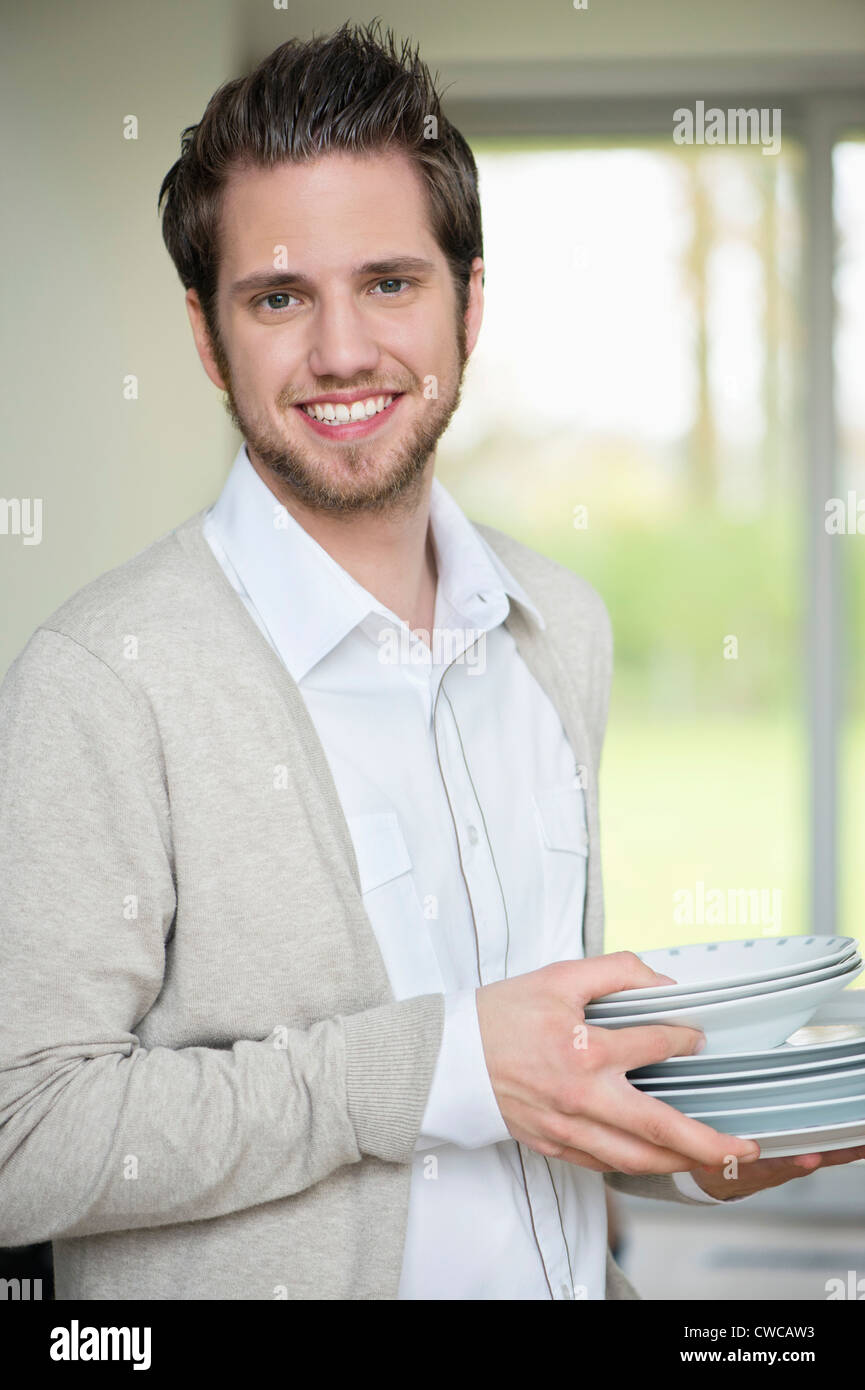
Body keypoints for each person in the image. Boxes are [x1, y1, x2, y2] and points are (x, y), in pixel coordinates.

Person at [1, 20, 861, 1302]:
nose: (342, 350)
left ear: (470, 299)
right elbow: (27, 1134)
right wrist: (433, 1066)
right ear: (205, 333)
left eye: (390, 282)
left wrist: (678, 1147)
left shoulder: (557, 625)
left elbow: (521, 1091)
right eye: (279, 297)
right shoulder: (103, 678)